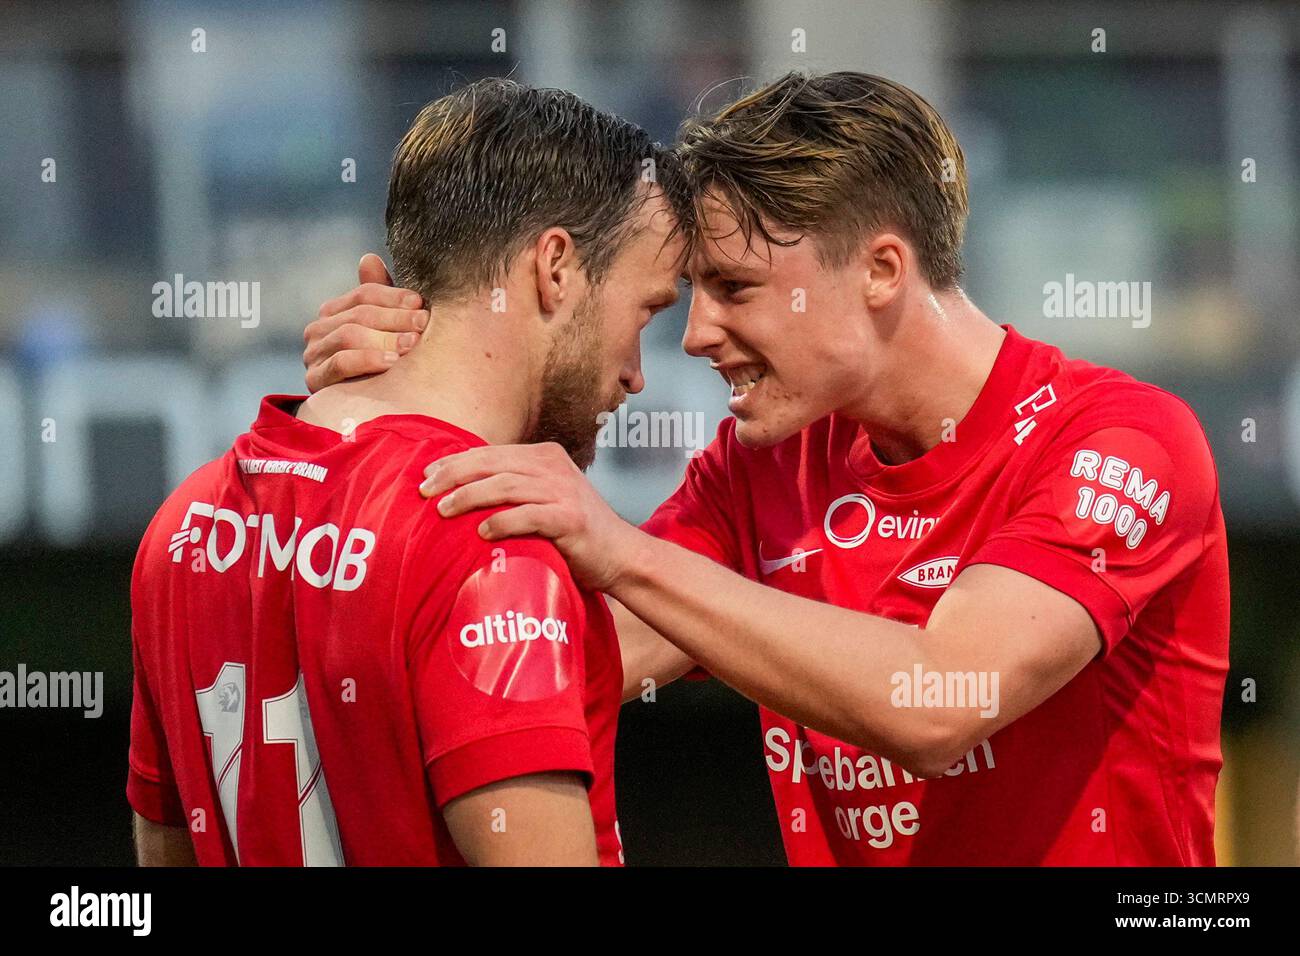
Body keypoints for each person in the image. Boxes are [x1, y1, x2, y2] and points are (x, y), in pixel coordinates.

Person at [308, 72, 1230, 865]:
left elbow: (943, 703)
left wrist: (619, 547)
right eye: (692, 290)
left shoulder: (1123, 441)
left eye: (735, 288)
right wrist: (406, 388)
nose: (698, 332)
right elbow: (560, 653)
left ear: (880, 270)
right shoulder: (766, 466)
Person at [128, 78, 688, 866]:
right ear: (555, 268)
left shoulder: (179, 527)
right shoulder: (491, 544)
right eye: (647, 312)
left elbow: (162, 855)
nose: (637, 373)